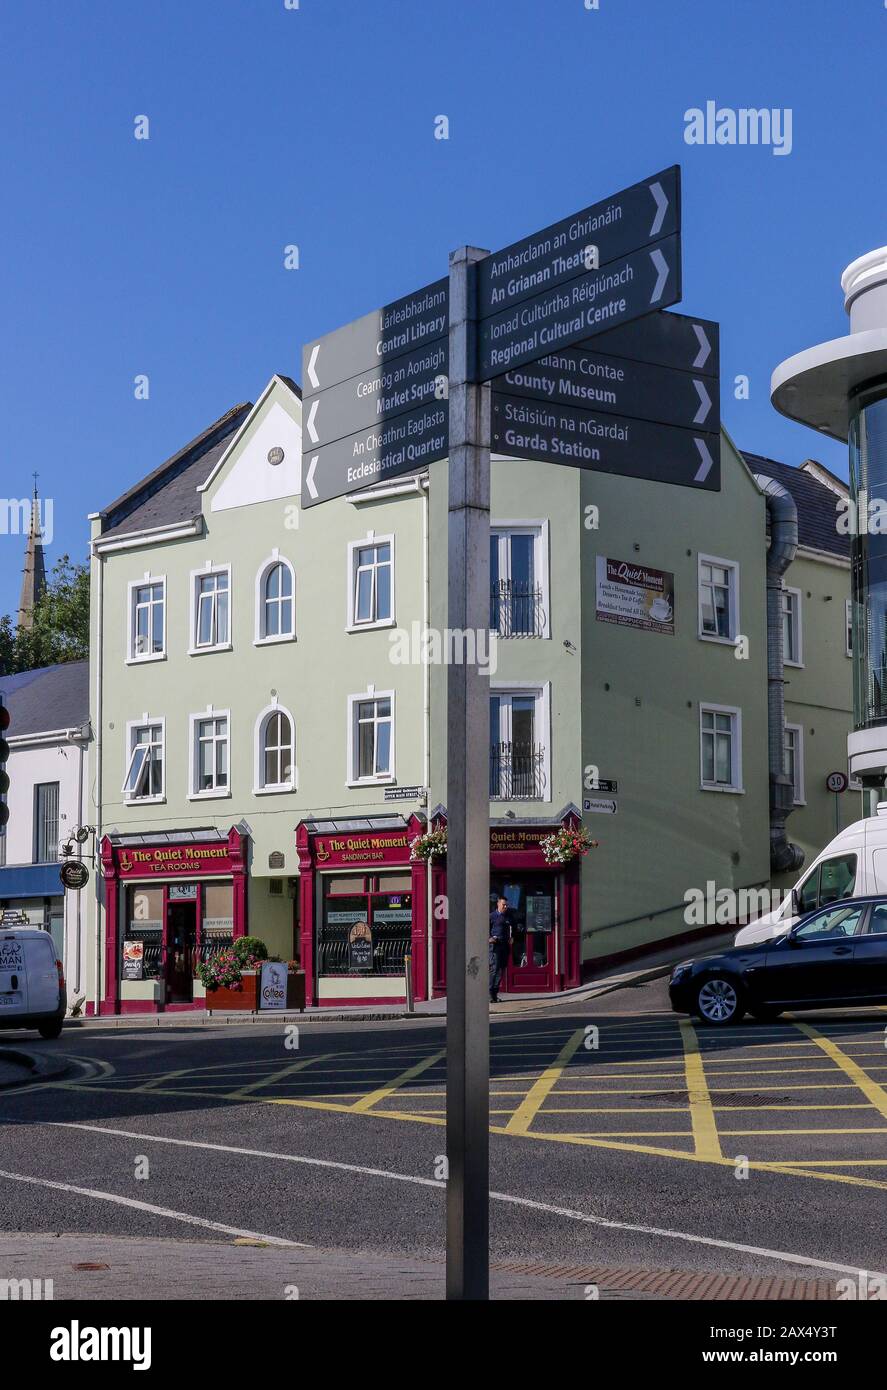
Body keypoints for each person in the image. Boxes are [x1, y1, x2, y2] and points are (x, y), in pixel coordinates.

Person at [489, 896, 514, 1004]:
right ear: (498, 904)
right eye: (503, 904)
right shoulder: (492, 916)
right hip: (495, 946)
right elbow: (484, 928)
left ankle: (495, 994)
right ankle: (489, 994)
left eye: (506, 905)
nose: (505, 906)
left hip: (505, 946)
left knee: (500, 971)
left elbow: (513, 928)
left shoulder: (508, 916)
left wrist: (512, 937)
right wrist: (489, 938)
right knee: (494, 970)